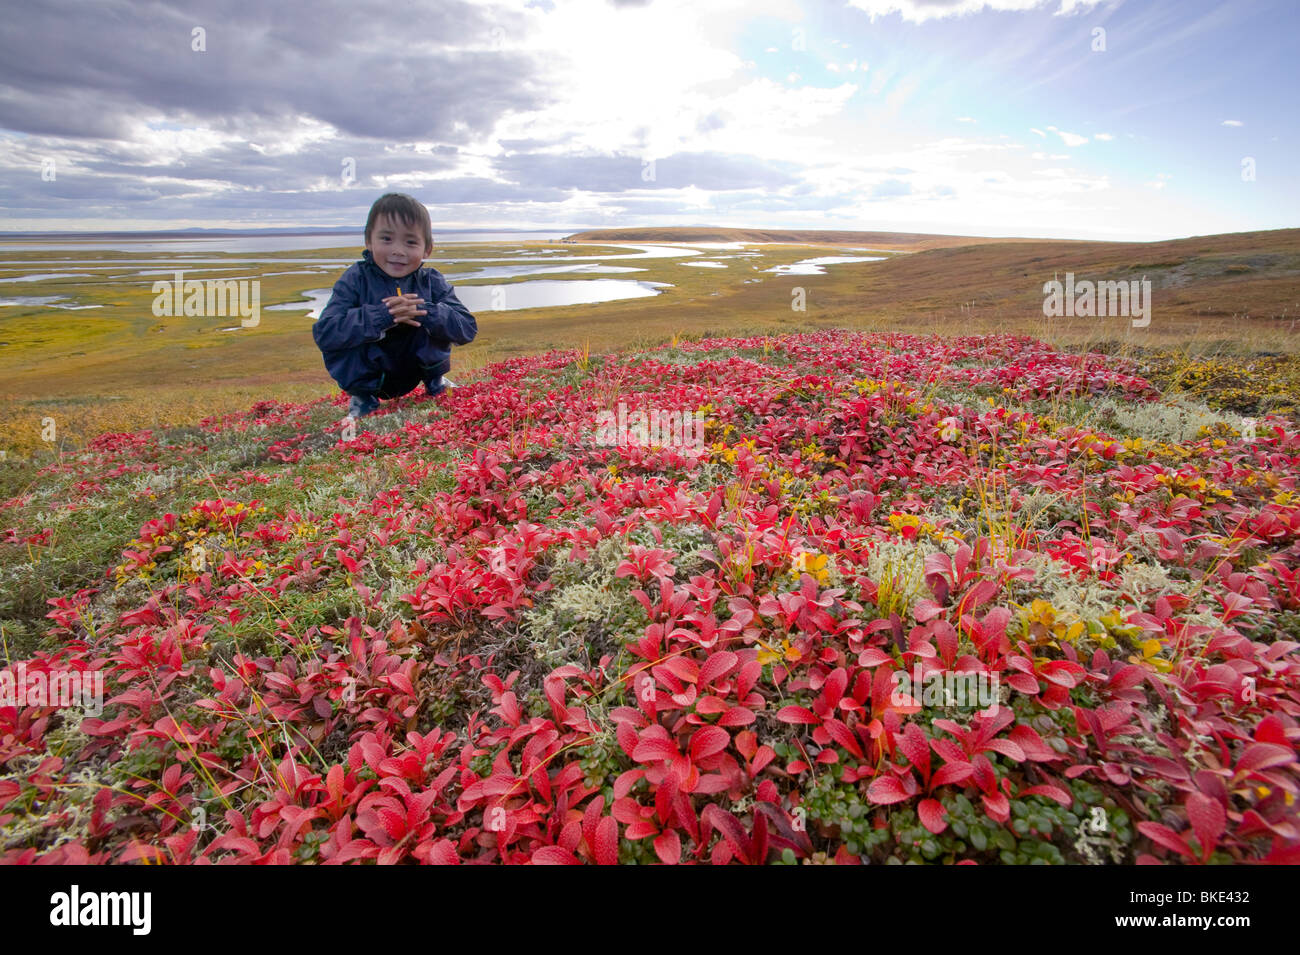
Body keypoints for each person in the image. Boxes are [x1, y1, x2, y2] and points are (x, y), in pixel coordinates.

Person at [311, 193, 477, 419]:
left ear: (427, 249)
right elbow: (326, 333)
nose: (398, 250)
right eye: (387, 239)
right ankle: (363, 399)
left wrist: (425, 312)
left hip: (417, 369)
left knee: (436, 317)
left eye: (410, 242)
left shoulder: (431, 280)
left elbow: (467, 328)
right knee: (349, 332)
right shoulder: (355, 278)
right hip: (371, 377)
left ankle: (436, 383)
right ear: (369, 241)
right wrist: (381, 317)